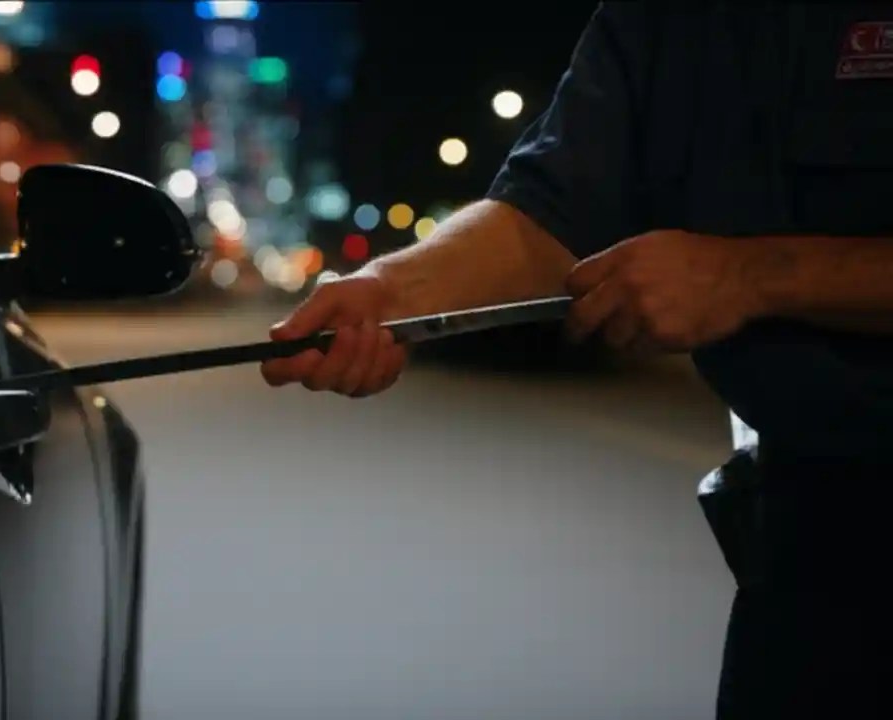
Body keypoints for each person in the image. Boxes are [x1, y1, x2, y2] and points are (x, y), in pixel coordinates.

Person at [261, 3, 893, 716]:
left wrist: (754, 277)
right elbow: (545, 217)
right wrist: (385, 292)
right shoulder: (667, 22)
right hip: (805, 555)